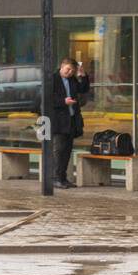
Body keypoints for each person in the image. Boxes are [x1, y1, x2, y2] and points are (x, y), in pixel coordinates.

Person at [50, 57, 89, 189]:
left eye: (72, 70)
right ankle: (55, 178)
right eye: (68, 69)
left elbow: (83, 89)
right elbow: (45, 99)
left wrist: (83, 76)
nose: (70, 72)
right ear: (62, 66)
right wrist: (63, 102)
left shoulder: (72, 79)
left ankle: (63, 178)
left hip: (71, 119)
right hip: (58, 121)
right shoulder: (52, 79)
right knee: (59, 150)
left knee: (67, 150)